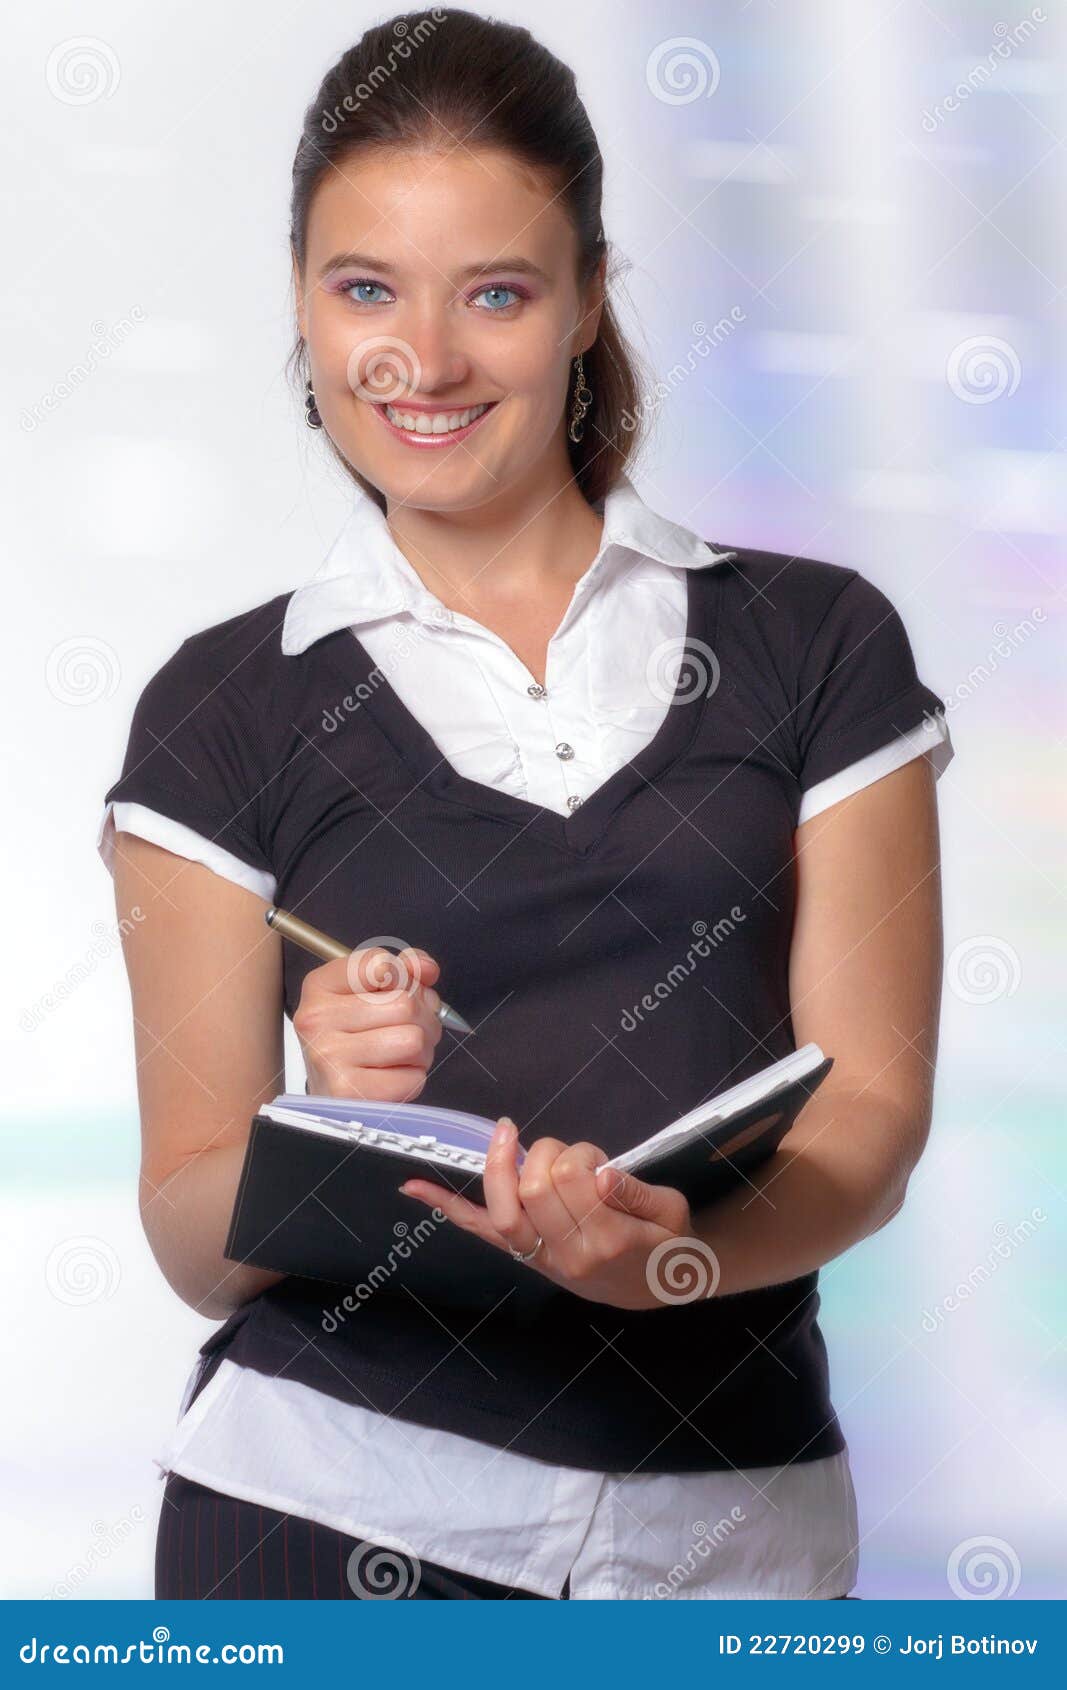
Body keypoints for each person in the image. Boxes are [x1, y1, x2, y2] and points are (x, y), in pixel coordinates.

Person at [98, 8, 953, 1600]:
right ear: (301, 296)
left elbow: (870, 1126)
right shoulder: (226, 708)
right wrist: (318, 1120)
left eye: (495, 292)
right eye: (365, 289)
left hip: (733, 1544)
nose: (422, 362)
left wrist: (670, 1260)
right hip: (329, 1516)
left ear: (587, 300)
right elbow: (195, 1239)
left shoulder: (817, 643)